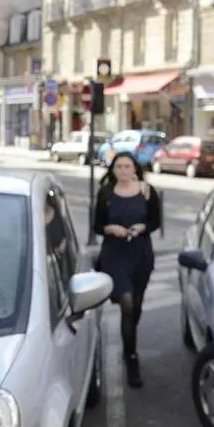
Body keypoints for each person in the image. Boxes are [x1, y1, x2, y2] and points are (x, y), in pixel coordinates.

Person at [93, 151, 161, 388]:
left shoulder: (147, 191)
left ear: (134, 169)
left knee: (136, 308)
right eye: (119, 167)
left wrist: (143, 227)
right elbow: (97, 226)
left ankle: (129, 340)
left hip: (140, 254)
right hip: (114, 255)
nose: (123, 171)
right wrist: (111, 228)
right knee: (127, 304)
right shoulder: (105, 193)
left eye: (127, 166)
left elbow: (156, 221)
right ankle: (132, 359)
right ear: (113, 170)